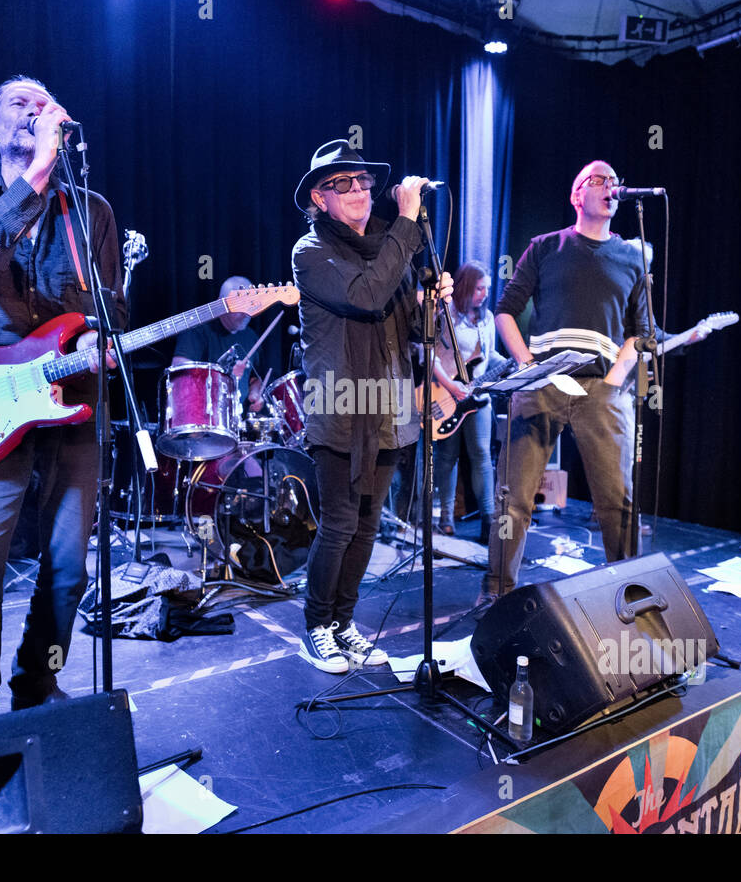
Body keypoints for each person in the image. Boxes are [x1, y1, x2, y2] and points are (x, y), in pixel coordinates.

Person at [0, 76, 125, 722]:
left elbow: (111, 300)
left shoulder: (90, 211)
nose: (36, 112)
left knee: (70, 567)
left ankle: (36, 686)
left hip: (72, 397)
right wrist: (40, 169)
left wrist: (104, 331)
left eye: (46, 105)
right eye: (20, 104)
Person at [483, 160, 707, 600]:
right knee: (514, 500)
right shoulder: (547, 247)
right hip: (542, 384)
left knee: (617, 504)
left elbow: (643, 332)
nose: (611, 187)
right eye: (600, 180)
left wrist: (684, 337)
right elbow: (505, 309)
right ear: (577, 194)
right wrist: (527, 364)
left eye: (615, 182)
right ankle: (495, 594)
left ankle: (627, 596)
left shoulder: (634, 255)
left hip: (600, 390)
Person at [291, 139, 451, 672]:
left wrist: (432, 300)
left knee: (366, 525)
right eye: (344, 184)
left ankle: (344, 621)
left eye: (364, 182)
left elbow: (412, 331)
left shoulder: (391, 248)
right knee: (338, 523)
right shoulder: (311, 253)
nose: (360, 191)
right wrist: (407, 223)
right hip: (339, 406)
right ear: (320, 198)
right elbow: (366, 296)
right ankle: (316, 626)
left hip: (388, 406)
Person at [430, 260, 506, 543]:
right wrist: (450, 385)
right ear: (464, 288)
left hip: (479, 398)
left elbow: (489, 357)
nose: (484, 294)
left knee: (482, 458)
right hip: (447, 395)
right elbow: (430, 356)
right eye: (478, 288)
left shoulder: (486, 318)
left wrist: (516, 362)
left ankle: (488, 521)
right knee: (447, 458)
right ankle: (445, 518)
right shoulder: (445, 315)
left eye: (486, 288)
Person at [172, 276, 265, 414]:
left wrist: (255, 393)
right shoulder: (197, 331)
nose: (247, 314)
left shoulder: (251, 337)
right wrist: (224, 379)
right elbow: (180, 372)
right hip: (203, 417)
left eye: (251, 306)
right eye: (241, 307)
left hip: (237, 421)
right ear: (222, 304)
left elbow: (255, 378)